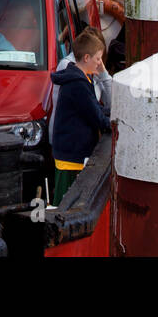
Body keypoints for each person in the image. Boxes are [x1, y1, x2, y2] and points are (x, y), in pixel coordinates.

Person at [49, 31, 109, 206]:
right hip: (71, 157)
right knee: (66, 204)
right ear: (87, 57)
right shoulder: (78, 84)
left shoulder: (82, 78)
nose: (100, 63)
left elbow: (95, 108)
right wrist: (113, 124)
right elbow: (95, 115)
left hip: (72, 151)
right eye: (98, 59)